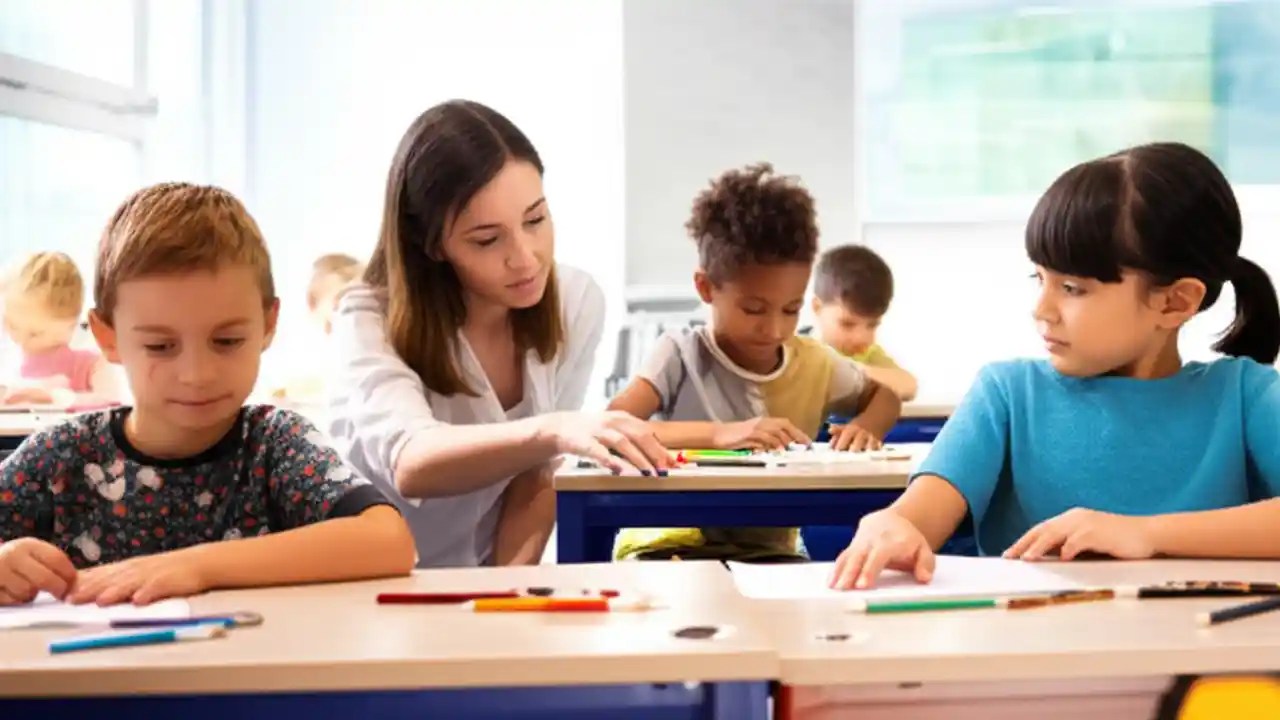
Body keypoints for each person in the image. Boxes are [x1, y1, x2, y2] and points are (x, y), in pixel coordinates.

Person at [829, 142, 1280, 590]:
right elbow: (917, 515)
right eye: (1039, 279)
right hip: (1038, 655)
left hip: (1202, 653)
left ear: (1174, 302)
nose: (1041, 309)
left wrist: (1144, 533)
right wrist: (892, 525)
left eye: (1071, 287)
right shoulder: (1006, 393)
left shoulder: (1245, 395)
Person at [0, 183, 416, 607]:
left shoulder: (274, 444)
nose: (197, 375)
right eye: (161, 347)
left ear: (268, 323)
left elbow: (388, 541)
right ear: (108, 337)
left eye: (228, 340)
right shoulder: (62, 456)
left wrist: (195, 566)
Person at [328, 100, 669, 568]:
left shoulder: (576, 300)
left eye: (535, 220)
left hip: (483, 584)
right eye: (487, 239)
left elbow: (533, 480)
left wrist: (508, 596)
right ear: (431, 246)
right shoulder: (368, 317)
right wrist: (555, 431)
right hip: (377, 589)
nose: (525, 257)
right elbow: (412, 462)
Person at [608, 163, 902, 562]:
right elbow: (614, 425)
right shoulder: (679, 354)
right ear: (706, 287)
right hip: (669, 543)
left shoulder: (815, 362)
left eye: (791, 309)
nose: (774, 329)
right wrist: (718, 435)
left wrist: (866, 426)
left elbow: (883, 396)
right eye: (753, 309)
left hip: (768, 553)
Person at [1, 252, 124, 406]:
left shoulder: (90, 365)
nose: (19, 338)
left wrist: (54, 398)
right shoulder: (9, 365)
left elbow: (114, 407)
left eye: (34, 334)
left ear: (71, 326)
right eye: (11, 326)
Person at [811, 245, 918, 401]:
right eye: (847, 324)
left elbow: (909, 386)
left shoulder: (868, 354)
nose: (861, 338)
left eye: (872, 325)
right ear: (817, 308)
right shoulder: (801, 350)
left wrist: (851, 372)